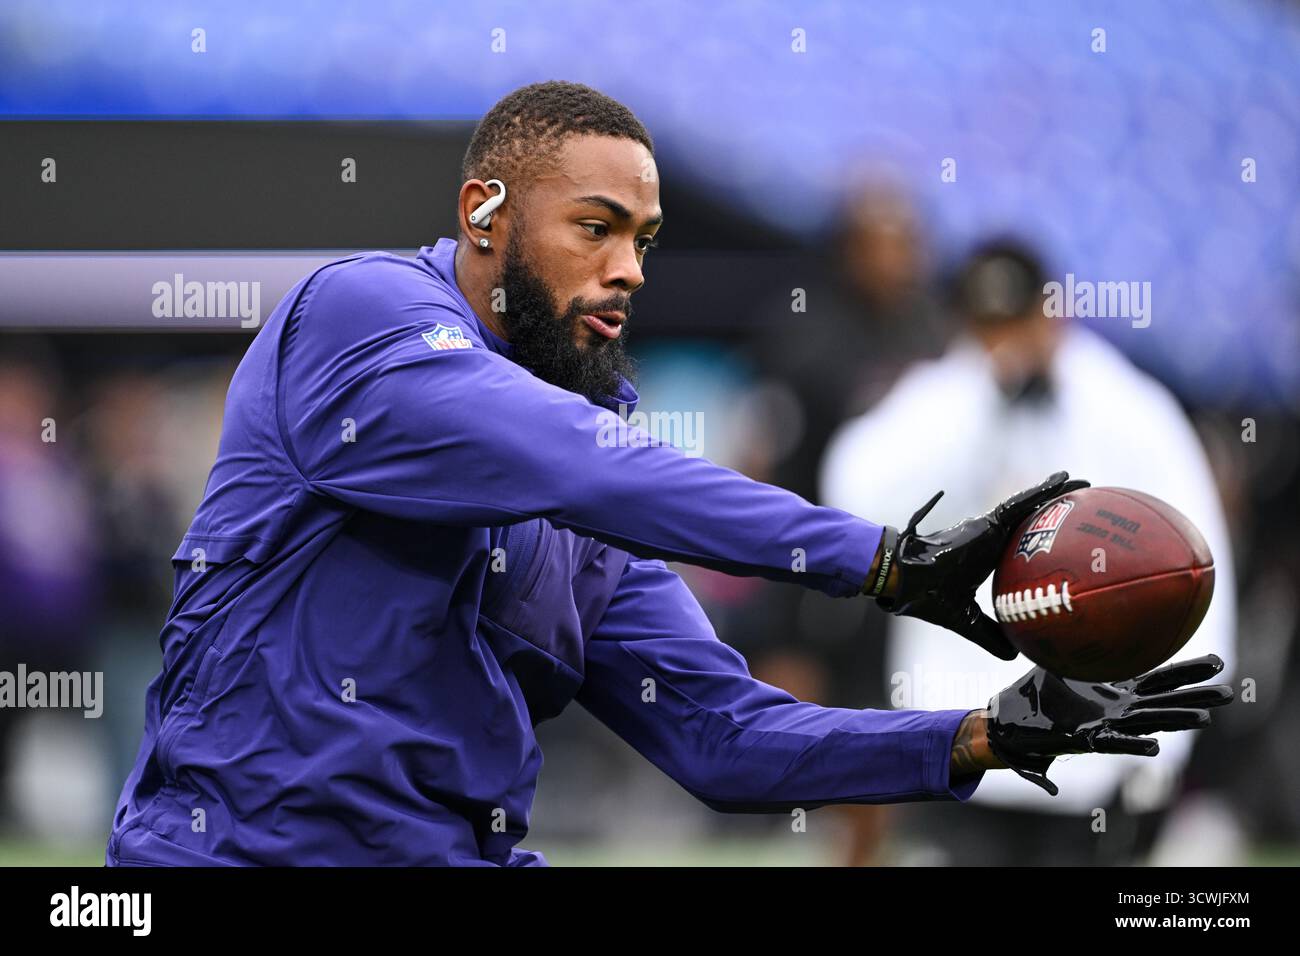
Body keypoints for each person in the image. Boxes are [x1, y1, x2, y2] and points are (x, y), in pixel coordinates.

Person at [107, 83, 1230, 866]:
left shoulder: (590, 479)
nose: (627, 268)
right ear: (482, 215)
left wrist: (972, 736)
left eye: (642, 237)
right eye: (594, 228)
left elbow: (721, 733)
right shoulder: (364, 318)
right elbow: (566, 458)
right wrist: (880, 560)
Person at [821, 239, 1238, 865]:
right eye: (990, 325)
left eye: (1018, 320)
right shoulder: (940, 401)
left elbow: (1195, 565)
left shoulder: (1131, 410)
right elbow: (851, 488)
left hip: (1094, 747)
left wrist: (1171, 743)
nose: (1006, 342)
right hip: (963, 730)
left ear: (1055, 311)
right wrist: (981, 406)